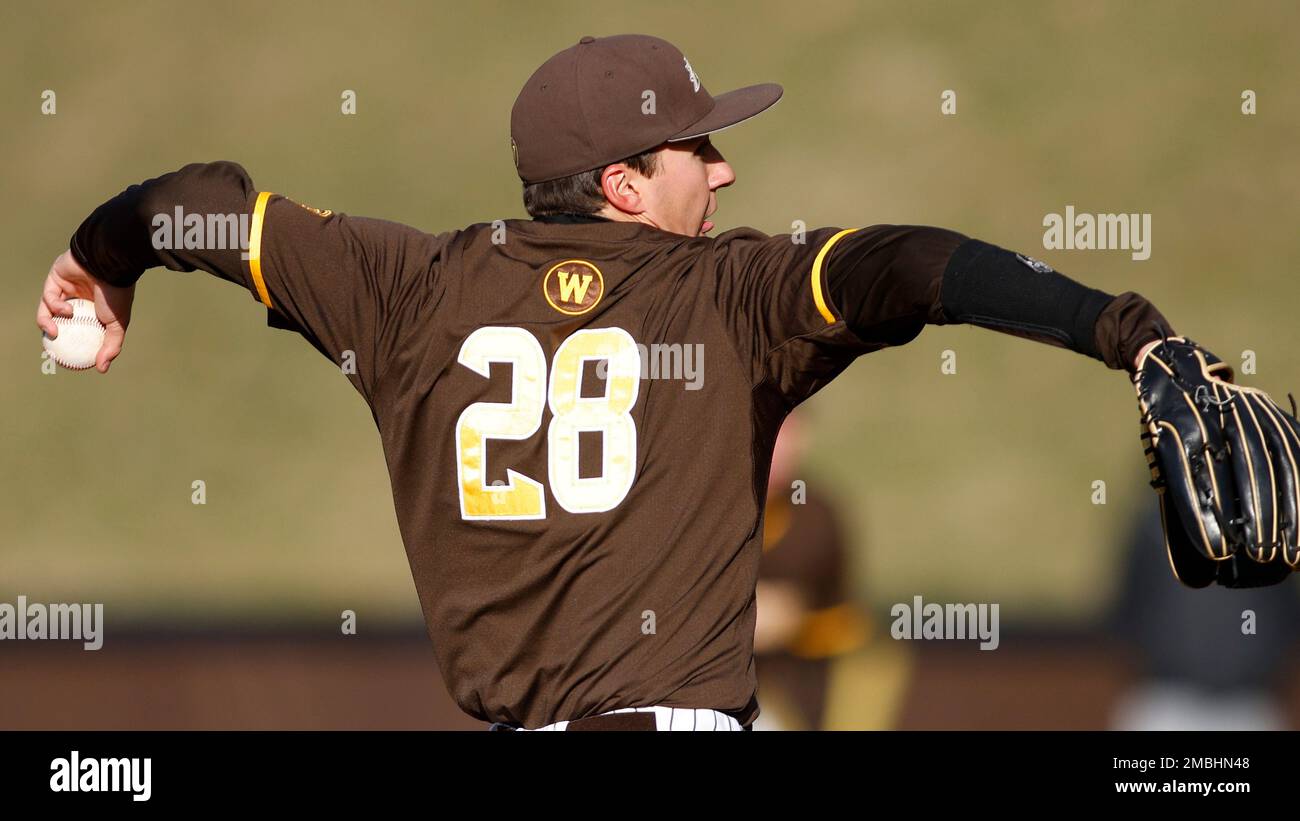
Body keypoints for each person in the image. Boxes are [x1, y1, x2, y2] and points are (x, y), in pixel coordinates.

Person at [32, 33, 1287, 731]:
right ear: (626, 182)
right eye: (701, 146)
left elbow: (198, 207)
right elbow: (920, 266)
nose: (726, 174)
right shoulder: (728, 297)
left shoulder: (403, 288)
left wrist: (100, 261)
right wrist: (1125, 329)